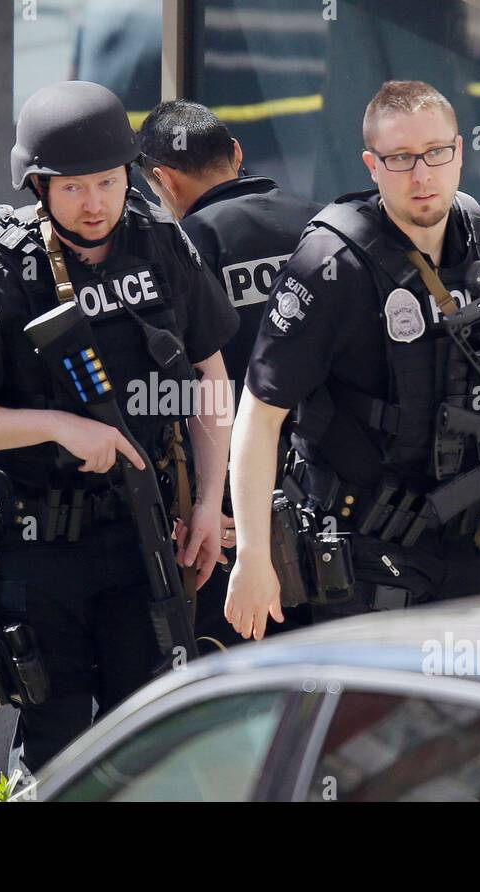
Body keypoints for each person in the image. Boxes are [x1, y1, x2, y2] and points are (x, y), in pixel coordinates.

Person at [0, 81, 238, 772]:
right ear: (38, 187)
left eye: (107, 182)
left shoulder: (160, 243)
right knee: (55, 745)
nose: (94, 203)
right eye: (73, 188)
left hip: (139, 529)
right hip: (35, 547)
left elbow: (210, 371)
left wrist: (209, 501)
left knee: (142, 739)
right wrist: (60, 426)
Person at [226, 80, 480, 640]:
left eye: (435, 154)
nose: (422, 175)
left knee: (460, 719)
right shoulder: (331, 267)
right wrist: (253, 556)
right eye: (400, 159)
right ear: (372, 166)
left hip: (459, 545)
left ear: (459, 154)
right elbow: (259, 413)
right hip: (356, 554)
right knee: (361, 725)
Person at [137, 99, 320, 645]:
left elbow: (184, 388)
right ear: (236, 154)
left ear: (161, 179)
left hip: (233, 513)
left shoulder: (182, 246)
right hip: (329, 492)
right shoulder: (321, 223)